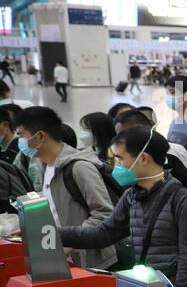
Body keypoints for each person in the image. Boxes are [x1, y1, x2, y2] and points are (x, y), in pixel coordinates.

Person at [59, 127, 187, 287]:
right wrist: (55, 233)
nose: (117, 165)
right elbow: (103, 234)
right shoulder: (131, 196)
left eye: (121, 159)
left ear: (143, 158)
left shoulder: (183, 201)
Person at [16, 106, 118, 270]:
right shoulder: (46, 166)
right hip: (65, 260)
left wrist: (70, 243)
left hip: (92, 263)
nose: (19, 141)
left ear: (40, 136)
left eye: (21, 135)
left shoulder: (78, 167)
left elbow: (104, 214)